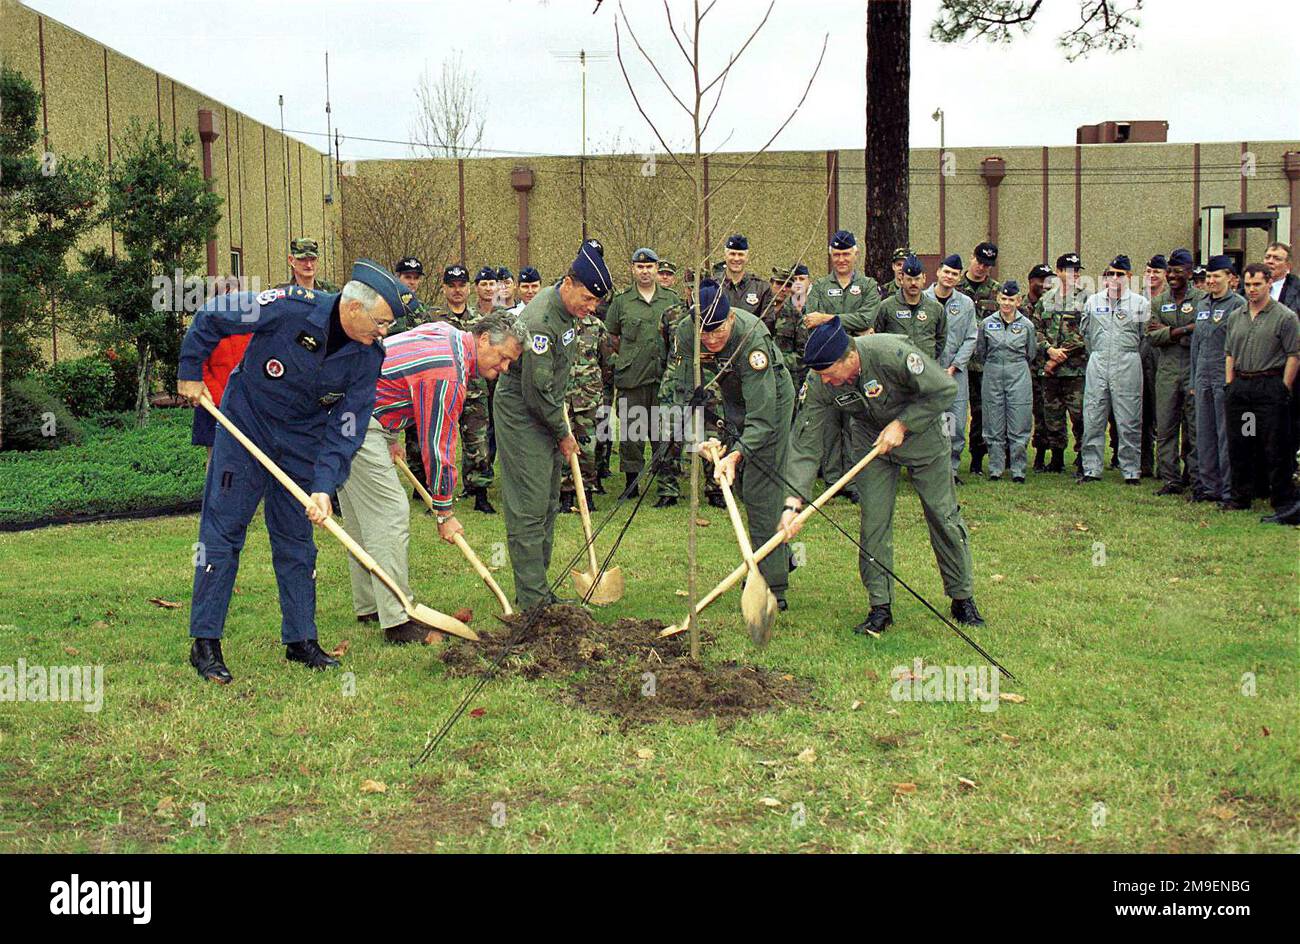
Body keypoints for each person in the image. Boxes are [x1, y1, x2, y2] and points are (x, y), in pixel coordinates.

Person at [175, 260, 413, 683]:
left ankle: (301, 639)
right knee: (223, 532)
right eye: (381, 322)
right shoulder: (289, 307)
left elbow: (348, 426)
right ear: (354, 307)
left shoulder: (367, 357)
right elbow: (212, 317)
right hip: (244, 427)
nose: (384, 333)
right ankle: (205, 642)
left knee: (297, 542)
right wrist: (190, 372)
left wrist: (324, 487)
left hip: (302, 445)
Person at [782, 318, 983, 636]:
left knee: (943, 516)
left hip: (922, 439)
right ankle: (880, 607)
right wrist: (793, 503)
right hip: (870, 444)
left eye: (830, 375)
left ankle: (962, 596)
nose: (826, 382)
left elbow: (944, 390)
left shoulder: (892, 353)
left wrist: (903, 424)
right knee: (873, 521)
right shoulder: (820, 379)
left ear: (849, 358)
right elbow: (806, 442)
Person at [339, 314, 524, 643]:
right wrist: (445, 512)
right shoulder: (448, 372)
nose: (505, 367)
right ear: (483, 340)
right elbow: (437, 445)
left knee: (361, 517)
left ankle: (370, 605)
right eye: (504, 357)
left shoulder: (448, 333)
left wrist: (391, 432)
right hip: (356, 418)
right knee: (389, 515)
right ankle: (398, 620)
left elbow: (394, 374)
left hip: (349, 410)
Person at [494, 243, 612, 609]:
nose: (591, 308)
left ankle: (538, 589)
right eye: (588, 298)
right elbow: (534, 389)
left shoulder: (565, 312)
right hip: (523, 413)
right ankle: (532, 601)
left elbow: (551, 383)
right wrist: (563, 434)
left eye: (596, 302)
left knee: (547, 502)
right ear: (569, 282)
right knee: (529, 506)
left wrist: (559, 424)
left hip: (546, 409)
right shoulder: (542, 321)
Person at [671, 279, 794, 608]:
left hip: (772, 403)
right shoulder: (687, 333)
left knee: (761, 492)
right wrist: (699, 436)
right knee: (740, 489)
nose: (710, 340)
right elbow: (685, 390)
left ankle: (773, 587)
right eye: (704, 333)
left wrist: (736, 454)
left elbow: (763, 415)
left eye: (717, 331)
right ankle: (779, 552)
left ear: (730, 320)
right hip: (734, 402)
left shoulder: (752, 339)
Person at [803, 230, 881, 503]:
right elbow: (810, 320)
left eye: (846, 254)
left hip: (857, 364)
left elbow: (868, 316)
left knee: (857, 423)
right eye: (836, 255)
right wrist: (853, 324)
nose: (841, 259)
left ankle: (856, 480)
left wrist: (828, 317)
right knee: (831, 424)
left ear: (855, 254)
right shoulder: (821, 287)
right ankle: (834, 480)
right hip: (829, 366)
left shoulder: (868, 286)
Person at [1223, 262, 1300, 524]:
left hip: (1269, 387)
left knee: (1274, 445)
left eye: (1257, 284)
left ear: (1269, 283)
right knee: (1243, 441)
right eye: (1248, 284)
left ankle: (1282, 500)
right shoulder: (1237, 315)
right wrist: (1230, 384)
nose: (1252, 289)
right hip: (1242, 389)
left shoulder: (1285, 317)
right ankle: (1241, 496)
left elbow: (1293, 355)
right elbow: (1230, 353)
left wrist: (1284, 386)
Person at [605, 247, 678, 500]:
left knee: (663, 432)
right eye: (640, 267)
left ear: (657, 269)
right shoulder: (621, 301)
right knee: (631, 434)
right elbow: (612, 336)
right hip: (632, 378)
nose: (645, 271)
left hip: (663, 379)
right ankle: (631, 483)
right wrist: (625, 359)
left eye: (649, 267)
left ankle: (666, 487)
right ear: (633, 269)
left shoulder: (670, 300)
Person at [1079, 255, 1149, 484]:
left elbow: (1144, 338)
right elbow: (1086, 335)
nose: (1115, 278)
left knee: (1129, 418)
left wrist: (1127, 355)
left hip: (1127, 362)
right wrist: (1098, 355)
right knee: (1093, 416)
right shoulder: (1092, 302)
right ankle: (1091, 468)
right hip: (1098, 360)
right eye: (1111, 274)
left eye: (1120, 274)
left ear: (1129, 276)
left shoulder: (1140, 303)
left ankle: (1130, 470)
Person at [1188, 256, 1246, 504]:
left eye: (1216, 276)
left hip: (1225, 377)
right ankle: (1208, 486)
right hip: (1202, 376)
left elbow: (1239, 345)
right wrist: (1192, 380)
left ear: (1230, 279)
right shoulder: (1202, 305)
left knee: (1226, 435)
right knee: (1204, 433)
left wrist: (1234, 381)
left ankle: (1228, 489)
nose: (1211, 281)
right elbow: (1196, 345)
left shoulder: (1238, 306)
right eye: (1208, 277)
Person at [1148, 248, 1204, 494]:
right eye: (1169, 270)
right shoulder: (1159, 301)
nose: (1171, 275)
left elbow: (1202, 334)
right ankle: (1170, 479)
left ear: (1190, 273)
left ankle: (1193, 477)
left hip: (1193, 369)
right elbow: (1151, 335)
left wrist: (1169, 331)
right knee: (1166, 426)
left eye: (1178, 271)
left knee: (1194, 427)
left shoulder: (1202, 300)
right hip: (1168, 370)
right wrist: (1184, 330)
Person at [976, 281, 1037, 482]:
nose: (1007, 303)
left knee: (1019, 420)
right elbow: (981, 351)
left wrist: (1015, 366)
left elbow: (1031, 353)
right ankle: (995, 468)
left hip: (1018, 371)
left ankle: (1018, 469)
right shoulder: (986, 324)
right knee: (993, 421)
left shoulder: (1027, 325)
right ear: (998, 299)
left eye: (1011, 299)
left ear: (1018, 301)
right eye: (1003, 299)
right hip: (993, 371)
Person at [1036, 252, 1089, 473]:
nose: (1073, 274)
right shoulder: (1046, 299)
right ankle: (1057, 458)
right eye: (1068, 270)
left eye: (1076, 271)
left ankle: (1084, 458)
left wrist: (1058, 357)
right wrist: (1048, 350)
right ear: (1058, 272)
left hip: (1074, 370)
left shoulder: (1087, 299)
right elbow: (1036, 329)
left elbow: (1085, 333)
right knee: (1052, 416)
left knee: (1080, 416)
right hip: (1050, 371)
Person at [926, 254, 978, 479]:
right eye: (946, 272)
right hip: (926, 372)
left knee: (953, 421)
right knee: (927, 420)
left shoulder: (965, 304)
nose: (949, 277)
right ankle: (927, 467)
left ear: (959, 278)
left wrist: (956, 365)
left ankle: (951, 468)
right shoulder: (923, 298)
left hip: (954, 372)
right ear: (938, 272)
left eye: (954, 274)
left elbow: (971, 337)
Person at [560, 303, 613, 512]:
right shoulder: (559, 325)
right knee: (563, 446)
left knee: (589, 448)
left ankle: (588, 492)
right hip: (562, 398)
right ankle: (565, 495)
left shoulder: (597, 326)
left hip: (588, 398)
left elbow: (607, 361)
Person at [956, 242, 1002, 476]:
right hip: (958, 361)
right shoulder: (955, 285)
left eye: (987, 265)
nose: (982, 268)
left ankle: (977, 457)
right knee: (954, 408)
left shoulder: (997, 290)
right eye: (980, 262)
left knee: (982, 411)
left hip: (984, 363)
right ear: (971, 258)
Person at [874, 254, 946, 360]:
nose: (913, 283)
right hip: (896, 368)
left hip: (926, 368)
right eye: (909, 279)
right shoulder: (886, 307)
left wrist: (928, 356)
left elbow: (941, 340)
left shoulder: (936, 309)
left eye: (917, 279)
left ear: (924, 278)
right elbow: (877, 337)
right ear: (902, 278)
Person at [1022, 263, 1053, 471]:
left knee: (1048, 412)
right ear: (1031, 281)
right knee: (1026, 412)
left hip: (1050, 367)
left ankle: (1048, 454)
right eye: (1041, 280)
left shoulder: (1054, 305)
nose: (1045, 285)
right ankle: (1021, 454)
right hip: (1026, 368)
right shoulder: (1018, 305)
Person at [718, 233, 771, 316]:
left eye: (740, 254)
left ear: (747, 258)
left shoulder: (761, 288)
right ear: (725, 256)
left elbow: (767, 322)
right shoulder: (713, 286)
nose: (736, 259)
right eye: (732, 254)